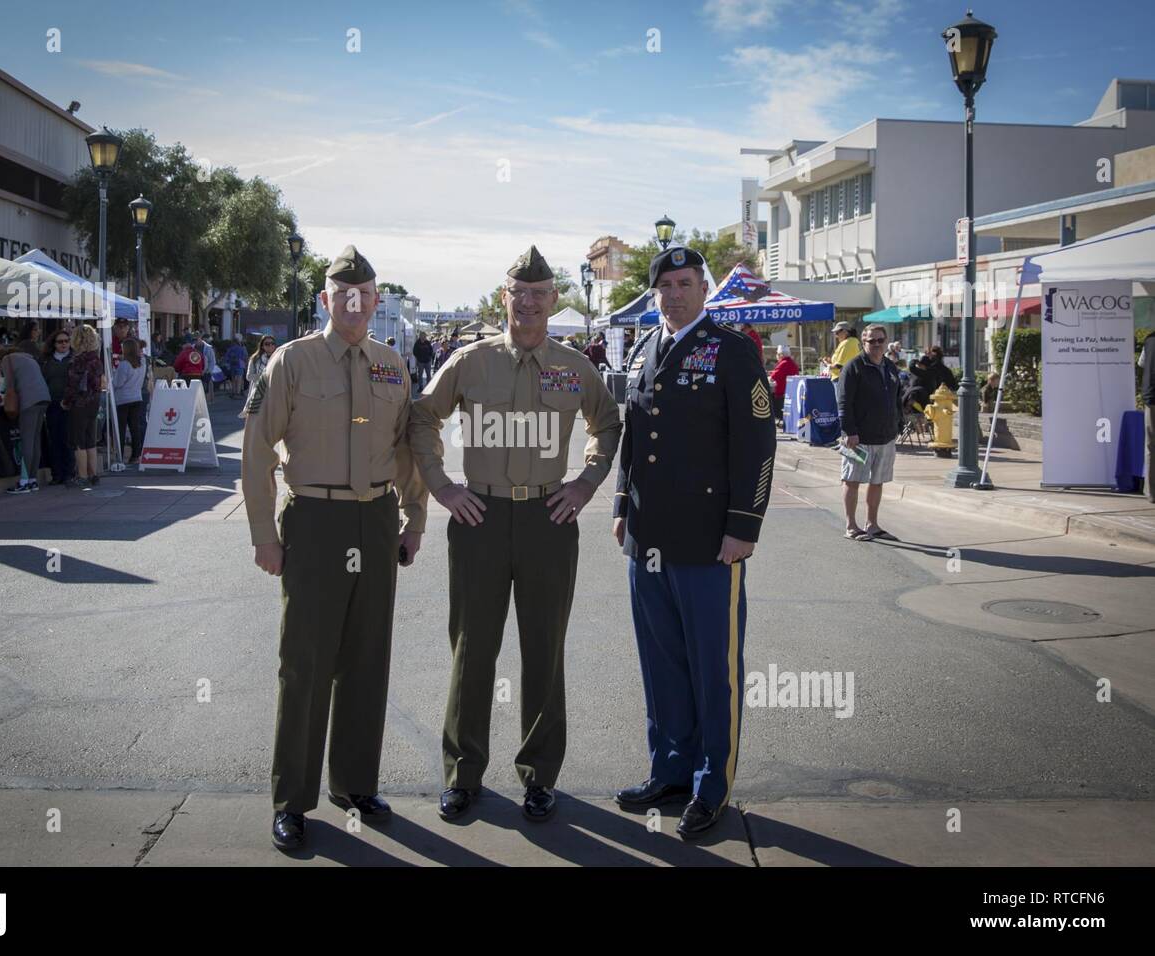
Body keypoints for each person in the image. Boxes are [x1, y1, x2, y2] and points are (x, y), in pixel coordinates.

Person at [408, 245, 622, 824]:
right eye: (517, 294)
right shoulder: (471, 361)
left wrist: (586, 483)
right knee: (472, 649)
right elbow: (422, 417)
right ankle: (462, 774)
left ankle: (539, 777)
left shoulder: (574, 366)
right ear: (504, 298)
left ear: (554, 300)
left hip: (549, 520)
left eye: (538, 295)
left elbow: (607, 423)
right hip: (479, 517)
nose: (527, 304)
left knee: (543, 650)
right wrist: (441, 486)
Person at [242, 245, 427, 853]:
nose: (356, 303)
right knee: (305, 663)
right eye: (344, 294)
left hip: (375, 519)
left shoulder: (391, 365)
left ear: (376, 301)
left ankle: (354, 784)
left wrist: (413, 518)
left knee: (367, 657)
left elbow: (406, 450)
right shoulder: (292, 362)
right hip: (315, 520)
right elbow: (258, 452)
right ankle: (292, 800)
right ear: (327, 300)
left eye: (366, 294)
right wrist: (265, 535)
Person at [611, 246, 776, 840]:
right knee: (662, 664)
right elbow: (634, 435)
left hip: (711, 541)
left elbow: (758, 444)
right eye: (666, 286)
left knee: (714, 668)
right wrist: (621, 505)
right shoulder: (643, 349)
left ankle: (713, 784)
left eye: (685, 283)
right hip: (648, 537)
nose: (675, 294)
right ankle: (671, 769)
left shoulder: (733, 351)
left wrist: (743, 526)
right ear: (654, 293)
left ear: (704, 287)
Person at [838, 323, 904, 541]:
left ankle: (872, 524)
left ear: (886, 342)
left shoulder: (890, 367)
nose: (876, 345)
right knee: (852, 480)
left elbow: (896, 399)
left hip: (885, 437)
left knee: (877, 481)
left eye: (880, 340)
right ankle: (851, 525)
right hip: (857, 438)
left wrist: (898, 423)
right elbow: (844, 402)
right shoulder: (853, 367)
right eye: (871, 341)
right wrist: (849, 431)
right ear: (863, 342)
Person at [0, 345, 51, 494]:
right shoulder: (29, 358)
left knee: (27, 440)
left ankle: (24, 481)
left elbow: (8, 385)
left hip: (29, 402)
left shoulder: (7, 360)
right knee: (35, 440)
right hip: (43, 398)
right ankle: (32, 479)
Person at [62, 324, 104, 491]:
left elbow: (72, 386)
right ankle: (94, 474)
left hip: (79, 403)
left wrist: (65, 401)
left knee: (79, 442)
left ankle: (82, 476)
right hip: (94, 402)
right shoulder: (96, 360)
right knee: (90, 439)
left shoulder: (78, 361)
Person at [41, 329, 78, 487]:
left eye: (66, 341)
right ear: (53, 344)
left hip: (70, 403)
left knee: (68, 440)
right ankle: (57, 474)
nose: (63, 344)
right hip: (53, 404)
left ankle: (69, 473)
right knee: (54, 439)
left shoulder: (75, 359)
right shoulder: (47, 361)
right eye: (60, 341)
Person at [112, 339, 148, 465]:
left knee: (120, 428)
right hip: (136, 397)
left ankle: (120, 455)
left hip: (123, 399)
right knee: (134, 428)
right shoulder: (143, 362)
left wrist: (112, 378)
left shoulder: (124, 364)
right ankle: (136, 455)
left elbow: (118, 383)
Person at [770, 343, 801, 421]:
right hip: (790, 391)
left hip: (782, 392)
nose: (776, 356)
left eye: (777, 354)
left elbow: (773, 377)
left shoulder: (783, 363)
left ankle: (777, 418)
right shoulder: (792, 363)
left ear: (781, 355)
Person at [828, 321, 860, 388]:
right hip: (850, 377)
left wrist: (827, 366)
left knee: (842, 398)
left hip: (841, 378)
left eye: (837, 333)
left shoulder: (847, 343)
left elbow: (838, 366)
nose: (836, 336)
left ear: (845, 331)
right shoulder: (854, 341)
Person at [1142, 335, 1154, 504]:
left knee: (1150, 445)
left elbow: (1142, 363)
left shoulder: (1149, 339)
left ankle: (1151, 491)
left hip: (1150, 396)